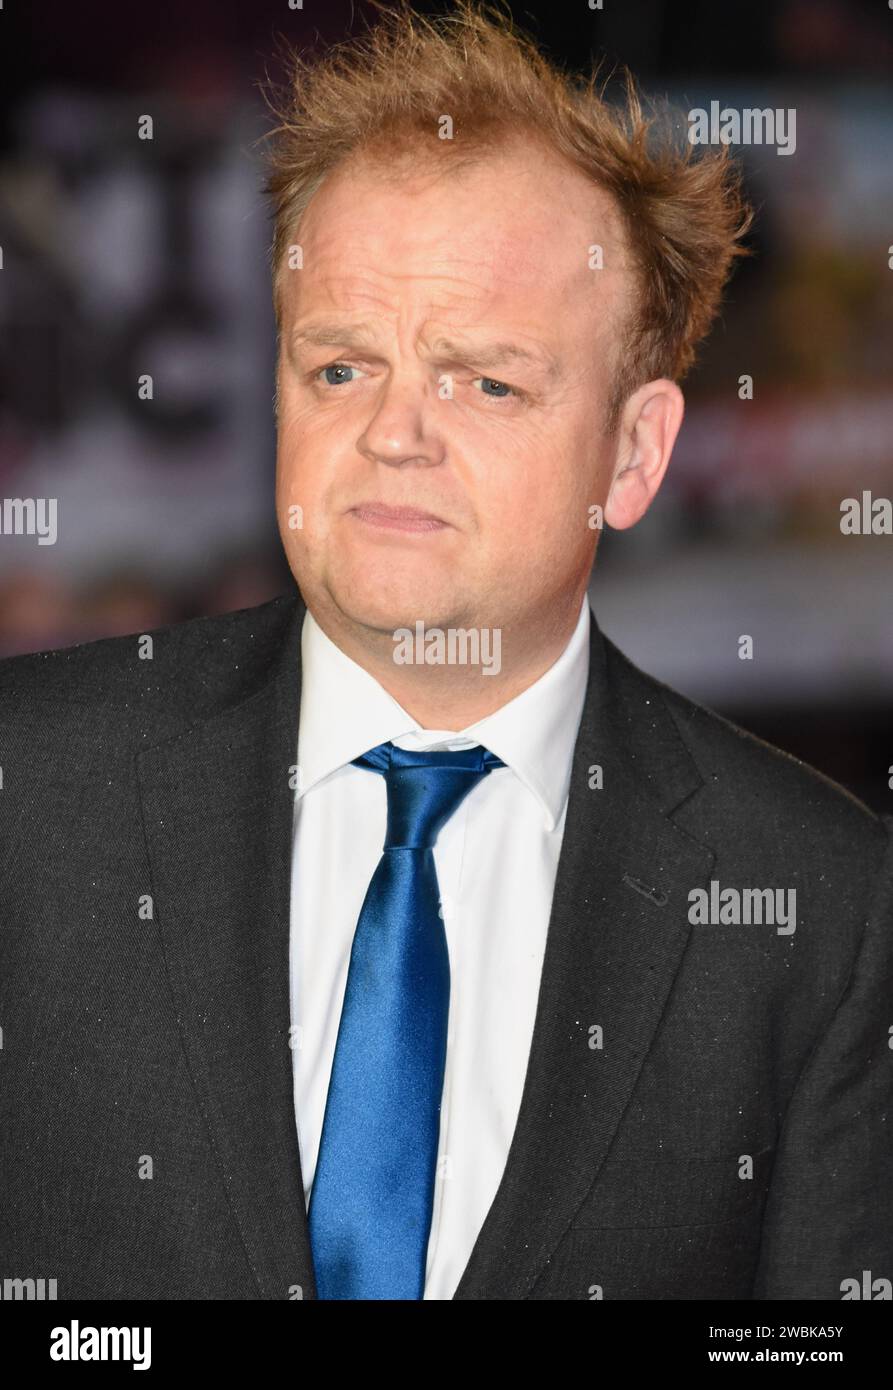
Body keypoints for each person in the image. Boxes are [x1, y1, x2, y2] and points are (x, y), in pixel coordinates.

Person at [1, 0, 890, 1301]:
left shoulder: (826, 906)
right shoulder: (29, 792)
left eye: (483, 380)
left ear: (633, 453)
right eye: (342, 367)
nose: (393, 435)